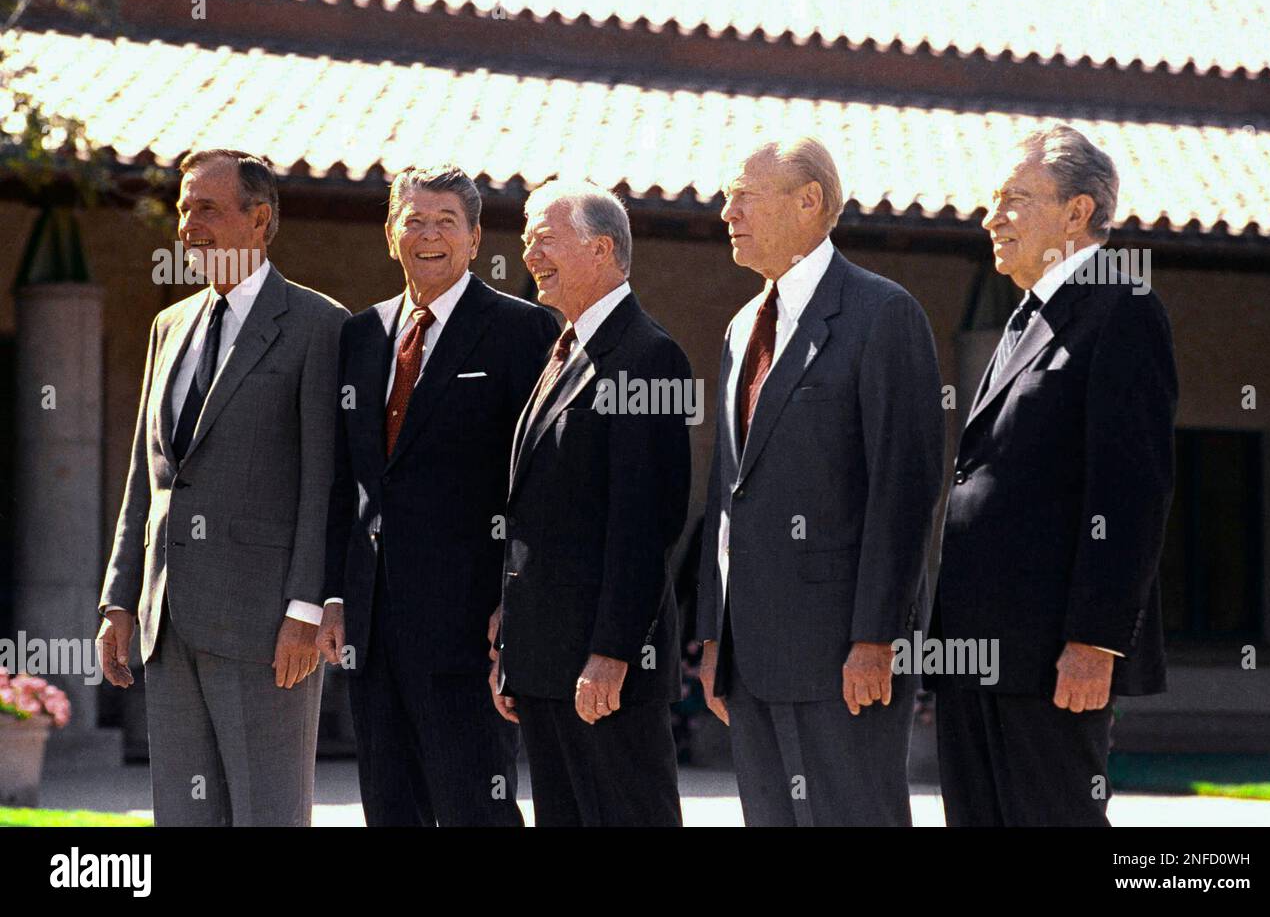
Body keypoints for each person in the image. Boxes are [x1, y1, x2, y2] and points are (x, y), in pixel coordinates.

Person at [930, 125, 1177, 826]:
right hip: (978, 646)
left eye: (1014, 199)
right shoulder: (1024, 320)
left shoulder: (1122, 309)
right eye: (992, 201)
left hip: (1049, 655)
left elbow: (1132, 492)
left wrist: (1095, 641)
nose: (991, 217)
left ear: (1077, 213)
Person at [696, 137, 945, 826]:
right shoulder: (743, 325)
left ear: (809, 201)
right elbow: (727, 490)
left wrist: (876, 638)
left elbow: (903, 490)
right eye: (727, 196)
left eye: (744, 194)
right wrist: (714, 636)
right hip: (750, 654)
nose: (727, 212)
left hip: (843, 655)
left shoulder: (881, 314)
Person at [97, 149, 348, 826]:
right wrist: (119, 599)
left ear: (260, 219)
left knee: (267, 812)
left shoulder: (319, 325)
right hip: (167, 620)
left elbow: (326, 479)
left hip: (267, 626)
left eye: (206, 208)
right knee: (182, 816)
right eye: (183, 209)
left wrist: (305, 606)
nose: (188, 226)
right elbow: (145, 482)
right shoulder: (167, 326)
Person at [317, 165, 556, 826]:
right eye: (413, 221)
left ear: (476, 238)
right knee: (390, 808)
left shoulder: (522, 332)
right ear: (390, 234)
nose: (428, 236)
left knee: (476, 806)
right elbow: (348, 476)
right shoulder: (360, 337)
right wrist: (334, 594)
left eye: (446, 222)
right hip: (371, 627)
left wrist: (516, 603)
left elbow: (538, 487)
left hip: (469, 629)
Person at [490, 180, 692, 826]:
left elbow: (646, 523)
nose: (530, 255)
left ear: (602, 248)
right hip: (547, 665)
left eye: (545, 238)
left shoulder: (648, 356)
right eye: (525, 240)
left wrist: (612, 654)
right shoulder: (562, 351)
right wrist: (513, 643)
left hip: (605, 674)